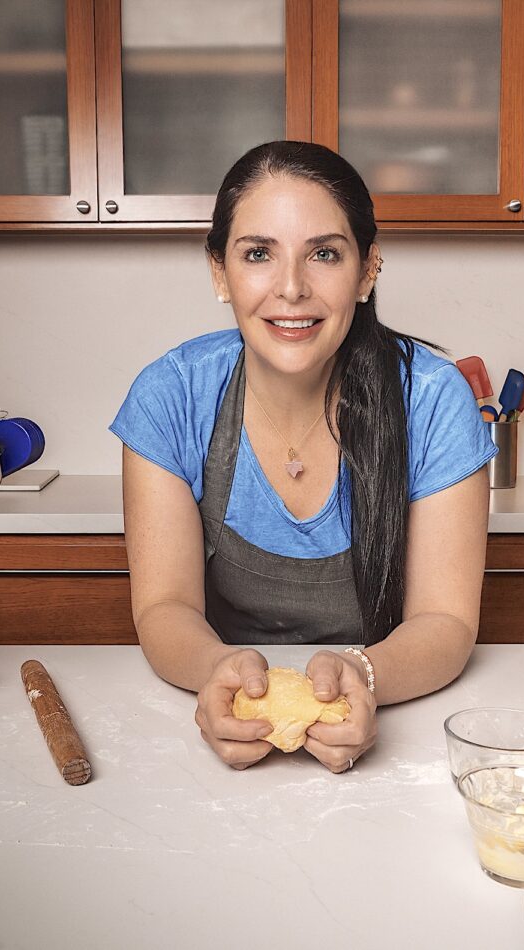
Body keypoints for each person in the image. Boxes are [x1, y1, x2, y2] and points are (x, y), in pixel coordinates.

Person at [110, 141, 495, 774]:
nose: (291, 288)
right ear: (218, 271)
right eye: (258, 254)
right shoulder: (172, 394)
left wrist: (363, 675)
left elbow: (446, 622)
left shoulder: (432, 399)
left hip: (397, 729)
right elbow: (164, 608)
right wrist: (217, 673)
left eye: (324, 254)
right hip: (223, 737)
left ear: (368, 271)